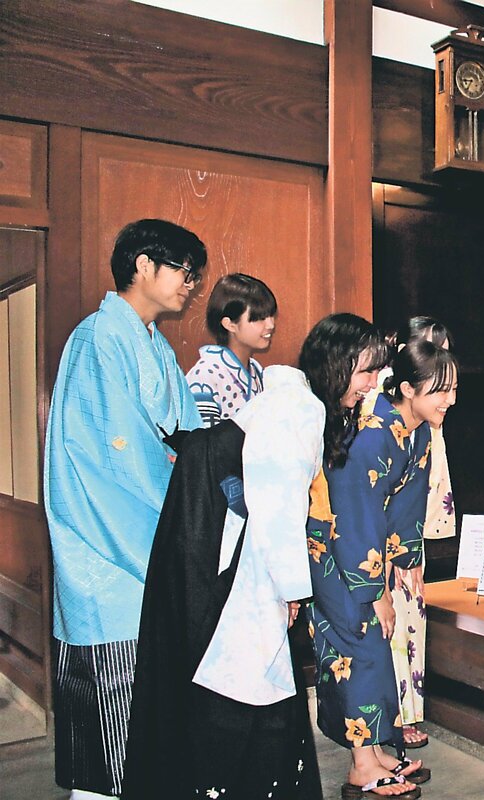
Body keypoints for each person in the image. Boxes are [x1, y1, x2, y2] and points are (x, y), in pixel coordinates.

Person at [121, 316, 350, 798]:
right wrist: (292, 590)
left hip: (215, 526)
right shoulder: (301, 408)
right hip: (230, 536)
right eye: (366, 371)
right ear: (339, 367)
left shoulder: (279, 395)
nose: (372, 384)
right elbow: (280, 505)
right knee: (243, 673)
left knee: (243, 673)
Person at [43, 218, 206, 799]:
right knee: (109, 739)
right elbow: (112, 459)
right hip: (109, 551)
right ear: (143, 265)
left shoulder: (154, 345)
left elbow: (186, 443)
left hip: (153, 538)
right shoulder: (96, 339)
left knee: (150, 728)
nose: (192, 285)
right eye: (185, 271)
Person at [308, 336, 457, 798]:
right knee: (360, 638)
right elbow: (356, 514)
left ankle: (375, 751)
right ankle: (361, 766)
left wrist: (408, 560)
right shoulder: (374, 435)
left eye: (453, 389)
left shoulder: (419, 433)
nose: (450, 400)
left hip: (364, 546)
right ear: (408, 389)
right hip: (336, 549)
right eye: (440, 390)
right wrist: (376, 590)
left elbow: (408, 503)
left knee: (380, 642)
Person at [391, 316, 457, 751]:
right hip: (384, 544)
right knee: (394, 625)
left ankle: (407, 713)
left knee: (412, 620)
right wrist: (400, 551)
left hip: (407, 536)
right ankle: (392, 720)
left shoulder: (426, 421)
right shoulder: (387, 422)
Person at [186, 273, 277, 426]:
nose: (270, 325)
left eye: (271, 315)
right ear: (229, 324)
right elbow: (203, 443)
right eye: (260, 318)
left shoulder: (257, 370)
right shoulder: (205, 374)